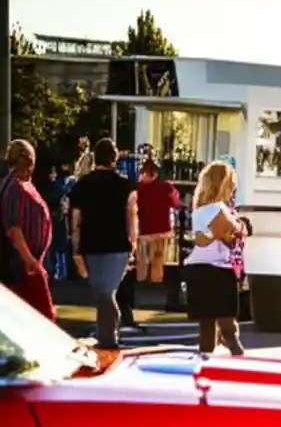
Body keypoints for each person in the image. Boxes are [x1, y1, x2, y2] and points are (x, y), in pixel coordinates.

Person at [69, 138, 137, 350]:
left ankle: (108, 338)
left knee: (103, 292)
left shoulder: (81, 185)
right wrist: (133, 244)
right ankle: (107, 336)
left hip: (91, 244)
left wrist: (75, 250)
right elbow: (132, 218)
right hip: (118, 245)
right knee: (104, 292)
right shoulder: (126, 186)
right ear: (114, 158)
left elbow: (76, 221)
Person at [185, 161, 245, 355]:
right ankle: (239, 364)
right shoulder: (220, 208)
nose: (234, 188)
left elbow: (205, 237)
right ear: (224, 184)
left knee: (206, 327)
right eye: (232, 184)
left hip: (197, 269)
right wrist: (237, 228)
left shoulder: (199, 210)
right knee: (228, 328)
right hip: (218, 270)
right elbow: (232, 232)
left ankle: (205, 366)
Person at [1, 140, 55, 320]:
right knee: (42, 316)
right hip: (24, 265)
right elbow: (13, 228)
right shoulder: (14, 188)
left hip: (29, 260)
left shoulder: (21, 184)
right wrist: (30, 260)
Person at [135, 158, 181, 283]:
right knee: (158, 259)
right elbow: (175, 202)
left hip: (144, 230)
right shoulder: (166, 187)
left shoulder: (138, 189)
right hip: (162, 230)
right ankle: (156, 283)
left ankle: (140, 283)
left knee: (142, 259)